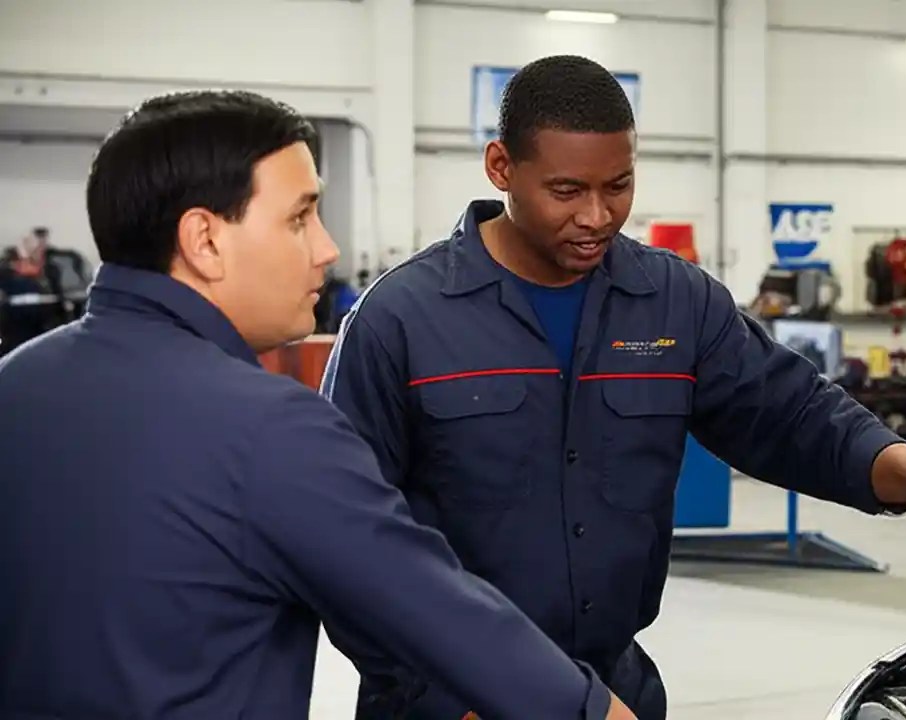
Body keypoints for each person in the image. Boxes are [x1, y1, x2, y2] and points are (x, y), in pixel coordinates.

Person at [320, 54, 906, 720]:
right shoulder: (400, 319)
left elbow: (789, 412)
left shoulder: (674, 302)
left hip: (615, 690)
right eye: (566, 190)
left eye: (618, 185)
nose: (596, 216)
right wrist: (452, 697)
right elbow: (343, 538)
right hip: (451, 697)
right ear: (501, 166)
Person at [0, 89, 636, 720]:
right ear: (205, 240)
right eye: (301, 217)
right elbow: (438, 615)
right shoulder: (267, 430)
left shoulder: (18, 384)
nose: (327, 249)